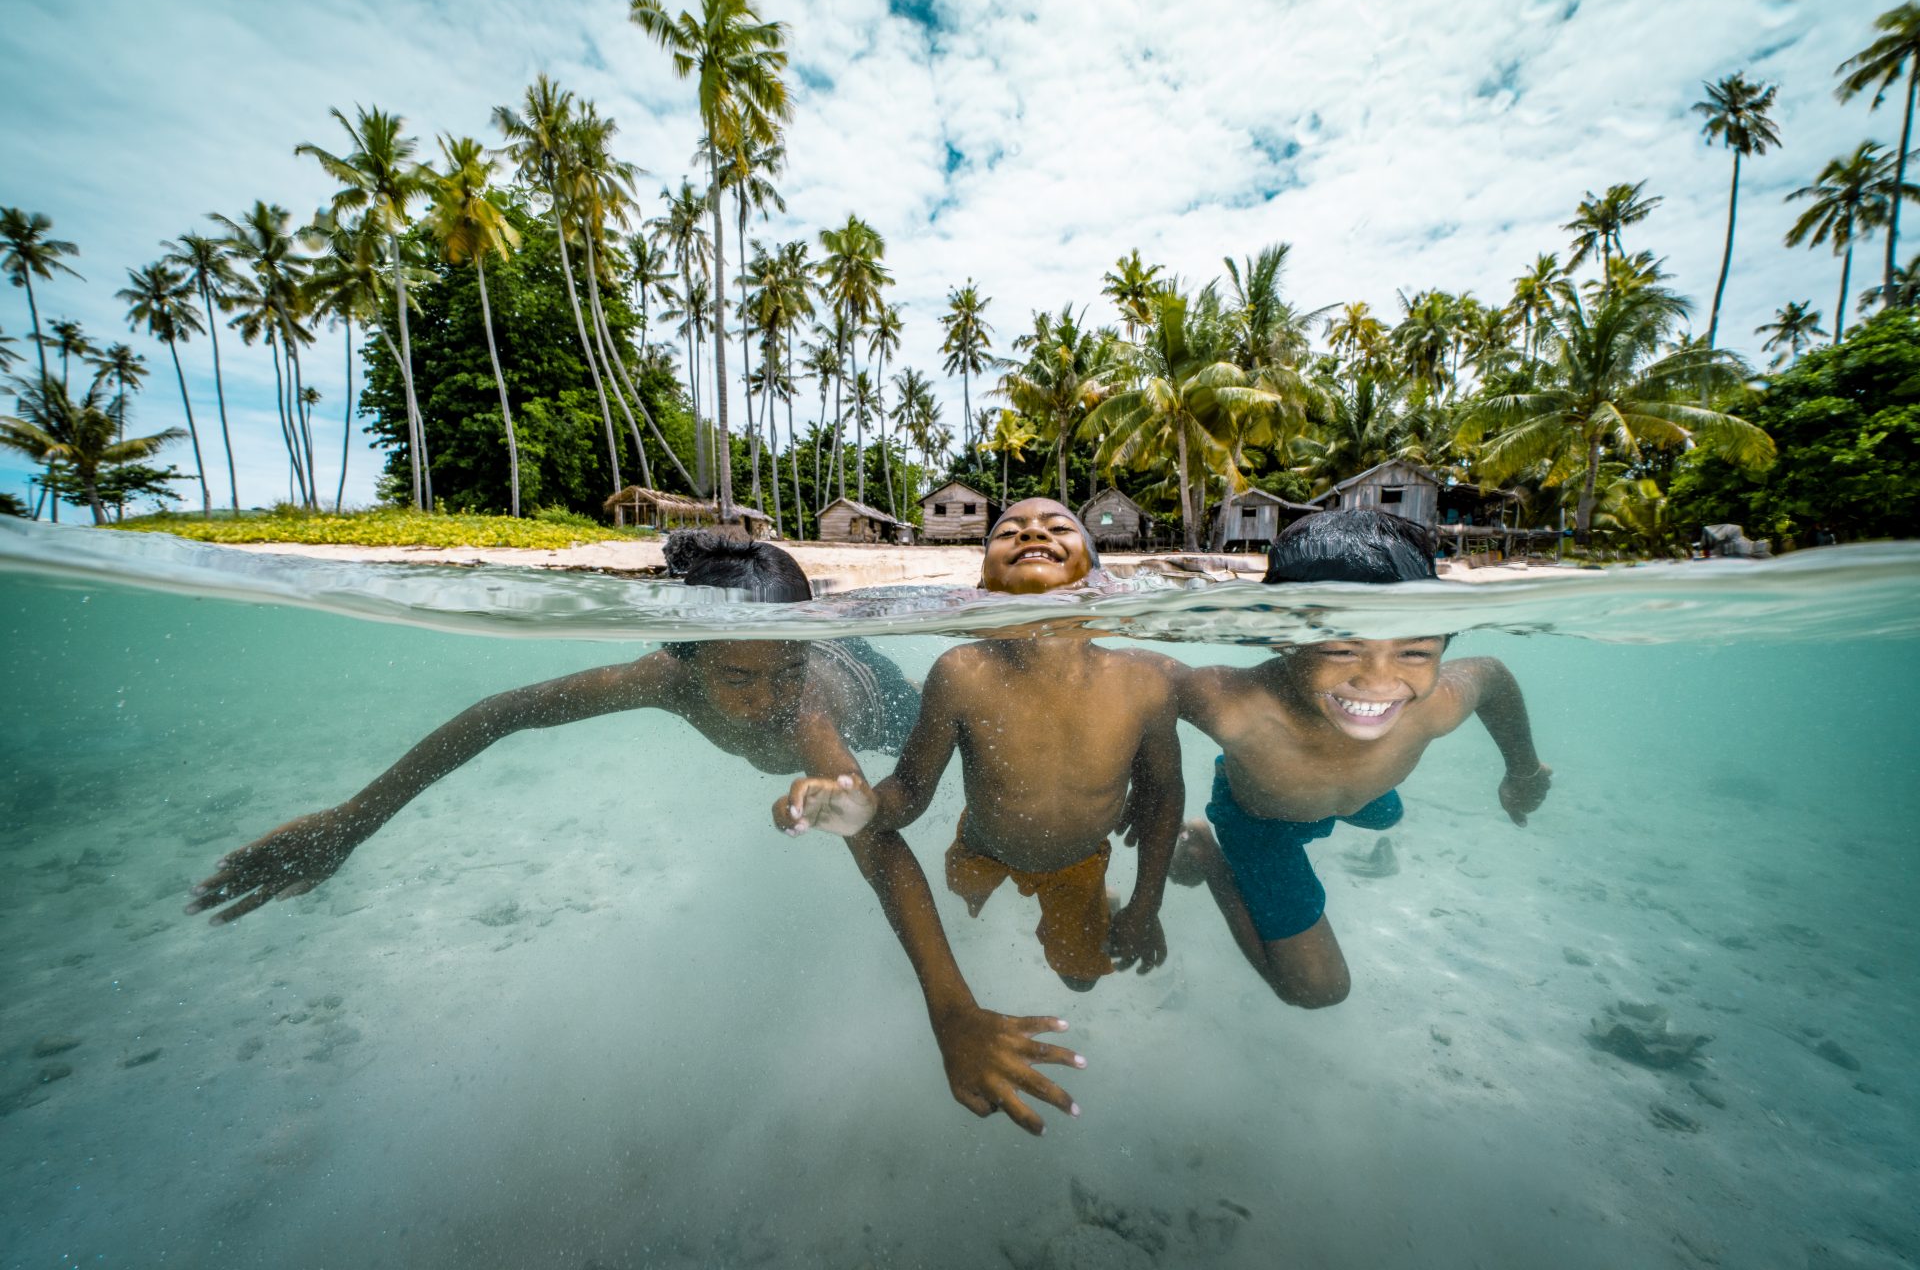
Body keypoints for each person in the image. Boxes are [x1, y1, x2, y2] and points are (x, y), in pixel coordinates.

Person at [188, 529, 1083, 1136]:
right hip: (783, 668)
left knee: (948, 761)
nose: (768, 698)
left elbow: (878, 847)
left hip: (877, 691)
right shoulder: (659, 676)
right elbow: (501, 713)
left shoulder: (805, 714)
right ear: (684, 658)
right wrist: (350, 824)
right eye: (740, 678)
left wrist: (950, 1009)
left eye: (783, 669)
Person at [775, 498, 1183, 995]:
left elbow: (1163, 795)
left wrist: (1146, 905)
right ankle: (999, 891)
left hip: (1076, 863)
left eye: (1057, 527)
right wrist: (869, 809)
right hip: (981, 847)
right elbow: (910, 787)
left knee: (1080, 978)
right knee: (966, 898)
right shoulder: (961, 673)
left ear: (1101, 581)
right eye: (1009, 531)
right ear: (982, 585)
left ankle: (1106, 896)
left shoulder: (1145, 682)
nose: (1033, 533)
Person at [1164, 509, 1552, 1008]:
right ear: (1283, 637)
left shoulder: (1439, 703)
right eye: (1342, 649)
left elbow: (1494, 676)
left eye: (1414, 653)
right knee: (1317, 990)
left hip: (1362, 795)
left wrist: (1522, 770)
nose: (1377, 681)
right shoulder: (1235, 706)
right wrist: (1148, 794)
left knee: (1386, 813)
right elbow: (1149, 686)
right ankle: (1205, 850)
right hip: (1261, 821)